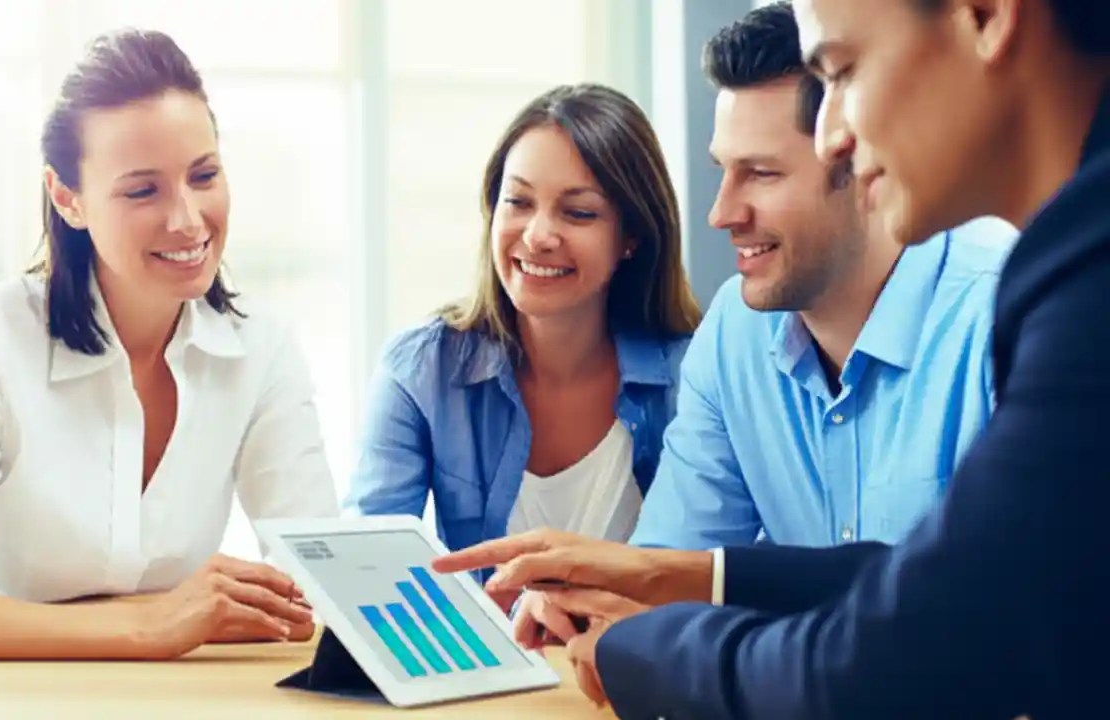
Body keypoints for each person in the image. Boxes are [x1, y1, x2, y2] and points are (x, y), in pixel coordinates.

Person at [434, 0, 1110, 717]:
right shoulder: (737, 333)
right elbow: (952, 580)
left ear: (986, 15)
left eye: (845, 71)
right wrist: (660, 575)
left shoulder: (1061, 288)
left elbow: (920, 644)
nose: (838, 133)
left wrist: (651, 641)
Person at [514, 1, 1015, 646]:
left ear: (860, 164)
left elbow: (1005, 617)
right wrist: (588, 605)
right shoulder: (734, 332)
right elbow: (664, 573)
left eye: (761, 174)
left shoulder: (1004, 313)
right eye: (724, 169)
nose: (721, 212)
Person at [0, 29, 338, 663]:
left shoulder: (262, 349)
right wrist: (146, 630)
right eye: (142, 190)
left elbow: (323, 578)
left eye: (204, 175)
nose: (187, 219)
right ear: (67, 198)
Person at [346, 85, 701, 568]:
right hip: (472, 646)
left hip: (633, 645)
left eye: (578, 212)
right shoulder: (421, 369)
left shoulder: (696, 378)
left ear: (631, 237)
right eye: (518, 202)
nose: (537, 236)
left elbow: (717, 575)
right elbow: (370, 566)